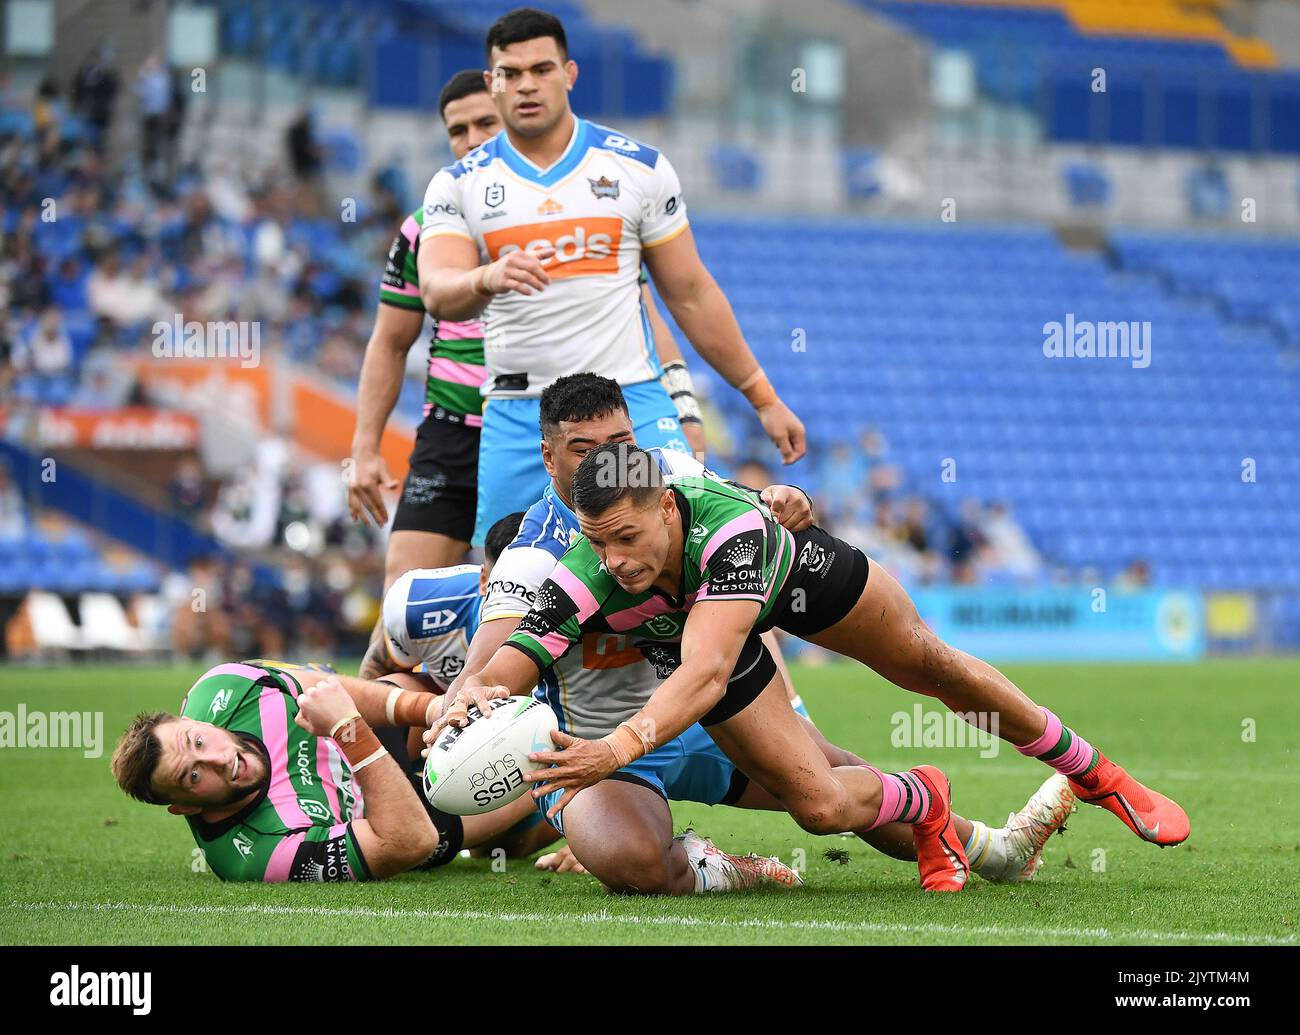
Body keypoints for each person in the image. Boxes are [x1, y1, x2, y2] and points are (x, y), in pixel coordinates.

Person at [427, 378, 1077, 893]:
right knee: (633, 865)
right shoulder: (532, 557)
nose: (607, 460)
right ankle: (722, 867)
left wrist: (788, 500)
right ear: (548, 457)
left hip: (705, 712)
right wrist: (463, 697)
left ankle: (997, 849)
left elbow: (746, 538)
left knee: (834, 788)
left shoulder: (670, 482)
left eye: (618, 441)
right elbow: (488, 665)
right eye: (582, 449)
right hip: (601, 752)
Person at [416, 7, 803, 545]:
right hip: (519, 416)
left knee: (683, 556)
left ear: (569, 74)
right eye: (511, 73)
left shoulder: (638, 168)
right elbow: (437, 291)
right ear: (492, 82)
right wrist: (487, 277)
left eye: (542, 69)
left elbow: (690, 294)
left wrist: (762, 397)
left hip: (630, 406)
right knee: (515, 588)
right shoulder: (458, 184)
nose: (527, 85)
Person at [349, 68, 707, 588]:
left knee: (627, 569)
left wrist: (684, 406)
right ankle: (389, 673)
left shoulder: (565, 209)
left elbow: (644, 314)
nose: (471, 140)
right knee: (408, 587)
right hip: (453, 427)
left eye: (484, 124)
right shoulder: (424, 226)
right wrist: (363, 448)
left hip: (545, 425)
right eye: (458, 130)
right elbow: (389, 340)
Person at [109, 661, 547, 882]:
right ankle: (570, 771)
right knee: (510, 778)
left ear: (196, 721)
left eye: (199, 743)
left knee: (405, 685)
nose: (219, 760)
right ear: (184, 807)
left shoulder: (225, 688)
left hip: (360, 740)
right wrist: (348, 730)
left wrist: (435, 708)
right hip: (394, 812)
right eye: (192, 776)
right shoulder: (255, 855)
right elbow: (411, 841)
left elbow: (331, 689)